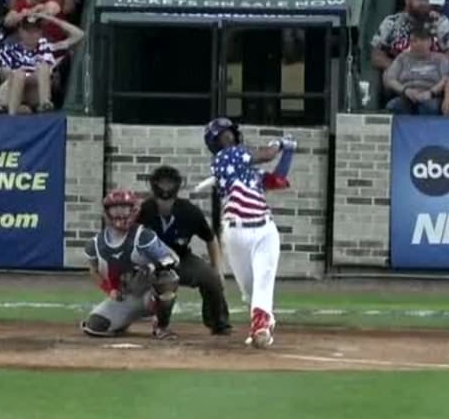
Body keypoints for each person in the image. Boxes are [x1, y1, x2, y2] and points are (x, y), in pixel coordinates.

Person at [199, 117, 292, 349]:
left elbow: (277, 180)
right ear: (215, 142)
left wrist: (289, 154)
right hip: (235, 233)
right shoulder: (225, 157)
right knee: (249, 290)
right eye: (222, 135)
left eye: (229, 133)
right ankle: (265, 319)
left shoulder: (249, 172)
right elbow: (268, 154)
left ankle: (260, 327)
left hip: (264, 229)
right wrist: (281, 143)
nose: (228, 137)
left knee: (264, 279)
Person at [134, 165, 231, 335]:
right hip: (149, 262)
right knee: (163, 282)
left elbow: (211, 239)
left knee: (211, 278)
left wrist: (218, 268)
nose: (165, 188)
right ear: (154, 186)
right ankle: (160, 324)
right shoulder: (142, 211)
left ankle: (219, 322)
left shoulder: (190, 212)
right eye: (162, 183)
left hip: (181, 258)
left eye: (169, 183)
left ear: (177, 186)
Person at [79, 188, 183, 340]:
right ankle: (124, 320)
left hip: (150, 294)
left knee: (168, 278)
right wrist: (110, 290)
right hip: (126, 296)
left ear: (133, 210)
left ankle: (161, 325)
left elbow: (173, 260)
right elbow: (93, 270)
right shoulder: (96, 245)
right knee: (96, 326)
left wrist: (153, 267)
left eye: (124, 208)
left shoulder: (143, 236)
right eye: (115, 209)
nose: (120, 214)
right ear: (107, 212)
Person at [0, 13, 83, 113]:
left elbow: (79, 35)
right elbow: (4, 74)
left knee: (43, 67)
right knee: (18, 75)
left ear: (41, 32)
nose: (31, 35)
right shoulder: (9, 50)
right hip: (12, 91)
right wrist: (27, 77)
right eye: (27, 31)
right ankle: (12, 114)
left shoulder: (48, 47)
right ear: (20, 31)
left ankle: (45, 105)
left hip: (35, 93)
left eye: (35, 31)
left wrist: (49, 18)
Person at [372, 0, 449, 69]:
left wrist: (430, 70)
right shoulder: (391, 22)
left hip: (432, 76)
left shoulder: (440, 22)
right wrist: (399, 69)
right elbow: (376, 56)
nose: (424, 2)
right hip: (400, 76)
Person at [382, 20, 449, 113]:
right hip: (406, 95)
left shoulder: (441, 59)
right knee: (394, 105)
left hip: (431, 95)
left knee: (430, 107)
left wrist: (430, 93)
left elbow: (445, 79)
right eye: (414, 40)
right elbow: (390, 79)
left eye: (423, 40)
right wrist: (405, 91)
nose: (418, 44)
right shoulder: (402, 58)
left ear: (430, 42)